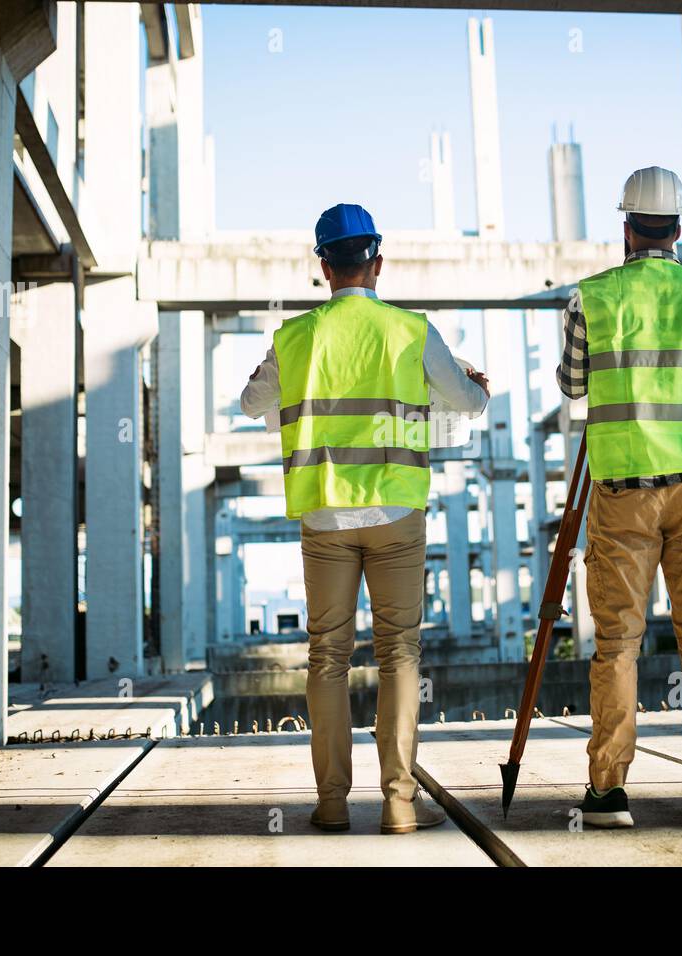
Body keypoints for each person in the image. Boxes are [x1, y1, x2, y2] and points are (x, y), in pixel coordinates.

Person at [240, 203, 490, 833]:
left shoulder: (294, 337)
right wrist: (474, 385)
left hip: (324, 514)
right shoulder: (412, 330)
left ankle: (330, 804)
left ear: (323, 267)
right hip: (395, 510)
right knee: (399, 652)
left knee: (326, 656)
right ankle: (400, 803)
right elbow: (464, 402)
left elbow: (252, 403)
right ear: (377, 262)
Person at [558, 167, 682, 827]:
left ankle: (609, 791)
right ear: (679, 226)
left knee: (617, 641)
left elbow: (572, 384)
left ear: (626, 227)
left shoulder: (592, 297)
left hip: (623, 490)